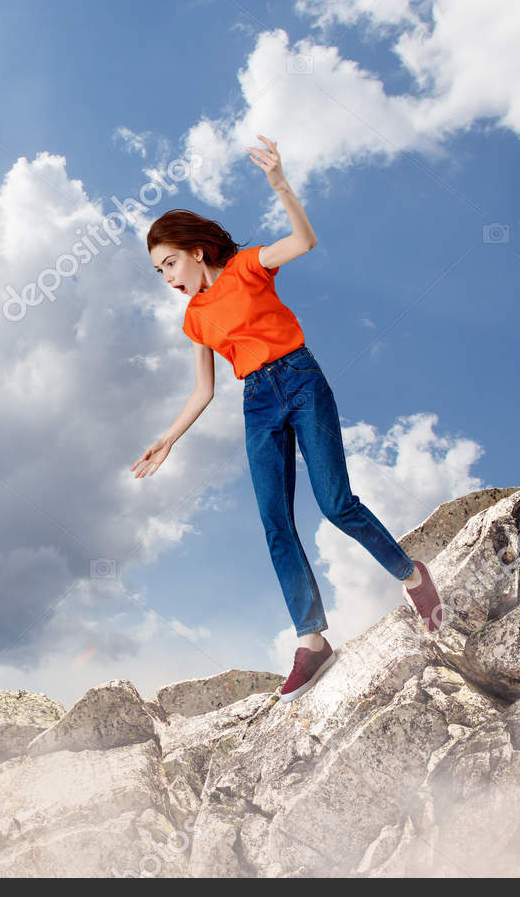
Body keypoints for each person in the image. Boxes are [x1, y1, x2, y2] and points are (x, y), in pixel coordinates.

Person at [131, 134, 443, 702]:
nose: (168, 277)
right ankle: (312, 639)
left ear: (197, 251)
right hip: (257, 403)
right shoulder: (194, 320)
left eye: (170, 261)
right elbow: (203, 390)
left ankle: (412, 576)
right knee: (275, 522)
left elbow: (304, 239)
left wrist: (279, 184)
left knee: (335, 503)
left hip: (301, 380)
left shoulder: (249, 267)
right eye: (158, 271)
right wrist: (167, 440)